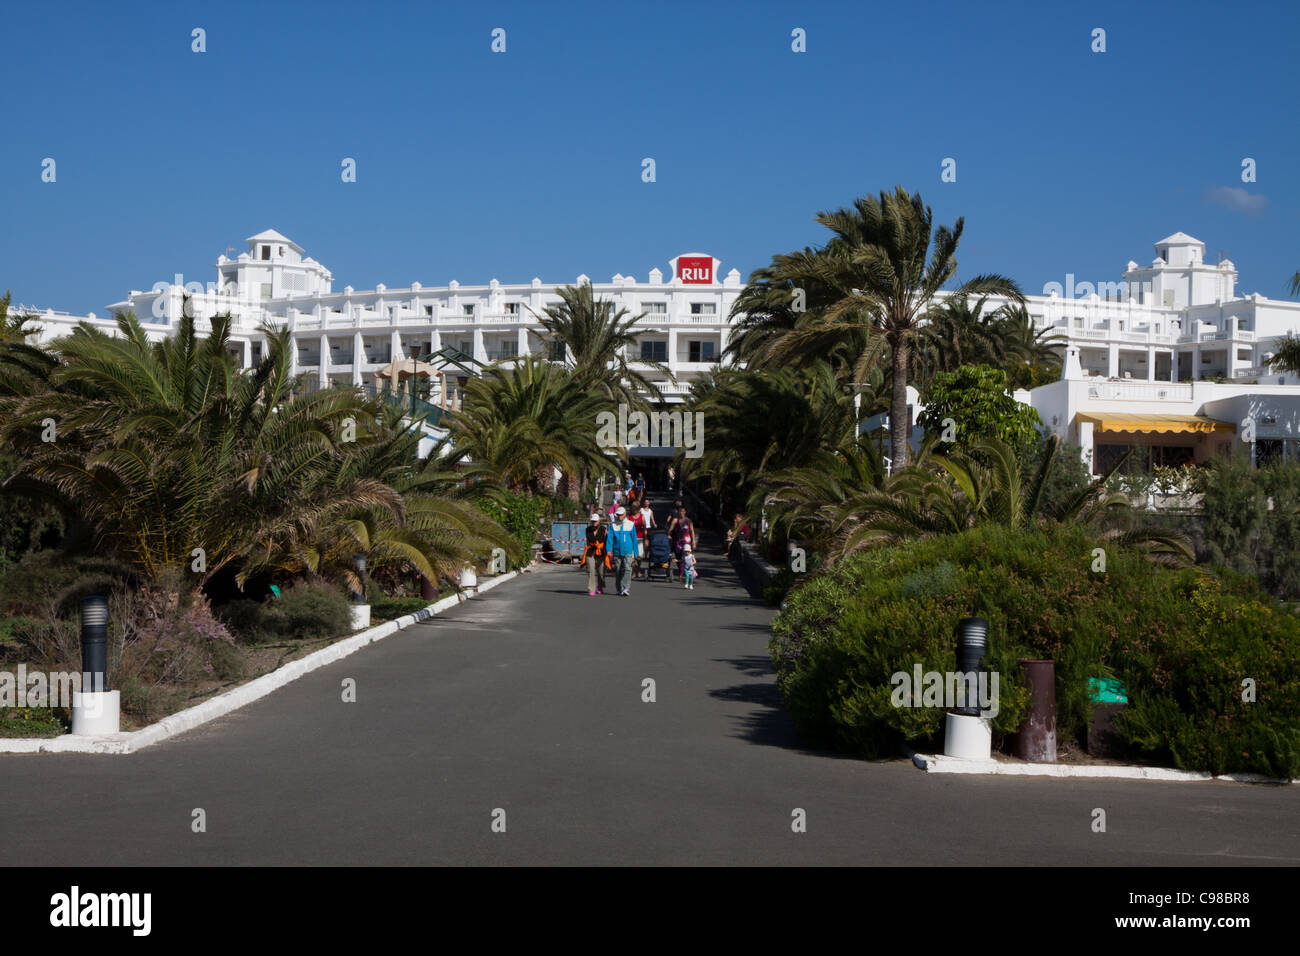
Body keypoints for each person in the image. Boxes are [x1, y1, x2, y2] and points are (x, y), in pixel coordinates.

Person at [606, 505, 638, 596]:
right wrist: (608, 550)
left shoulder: (631, 524)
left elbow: (634, 539)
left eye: (621, 514)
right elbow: (610, 538)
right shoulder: (613, 525)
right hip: (617, 551)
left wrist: (636, 553)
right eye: (618, 514)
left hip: (628, 551)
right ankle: (619, 588)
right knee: (618, 570)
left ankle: (626, 588)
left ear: (625, 514)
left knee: (628, 569)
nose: (619, 516)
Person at [581, 513, 609, 596]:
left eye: (595, 521)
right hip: (591, 551)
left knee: (601, 571)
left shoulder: (604, 529)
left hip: (601, 551)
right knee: (591, 570)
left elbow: (606, 541)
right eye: (592, 521)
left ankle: (600, 586)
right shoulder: (588, 529)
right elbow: (589, 541)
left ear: (599, 521)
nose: (594, 523)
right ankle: (591, 589)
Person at [669, 503, 695, 574]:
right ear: (678, 512)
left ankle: (683, 572)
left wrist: (693, 542)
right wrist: (669, 534)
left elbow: (692, 531)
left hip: (687, 541)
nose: (681, 513)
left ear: (685, 512)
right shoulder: (675, 520)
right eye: (680, 511)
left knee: (686, 557)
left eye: (683, 511)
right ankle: (681, 569)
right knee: (678, 557)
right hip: (678, 541)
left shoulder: (689, 520)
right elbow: (670, 530)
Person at [629, 500, 648, 579]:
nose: (634, 510)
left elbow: (644, 528)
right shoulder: (629, 517)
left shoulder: (642, 516)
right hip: (631, 539)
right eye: (633, 508)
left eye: (635, 508)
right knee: (632, 557)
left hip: (640, 538)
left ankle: (639, 569)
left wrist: (646, 539)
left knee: (639, 557)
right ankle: (633, 572)